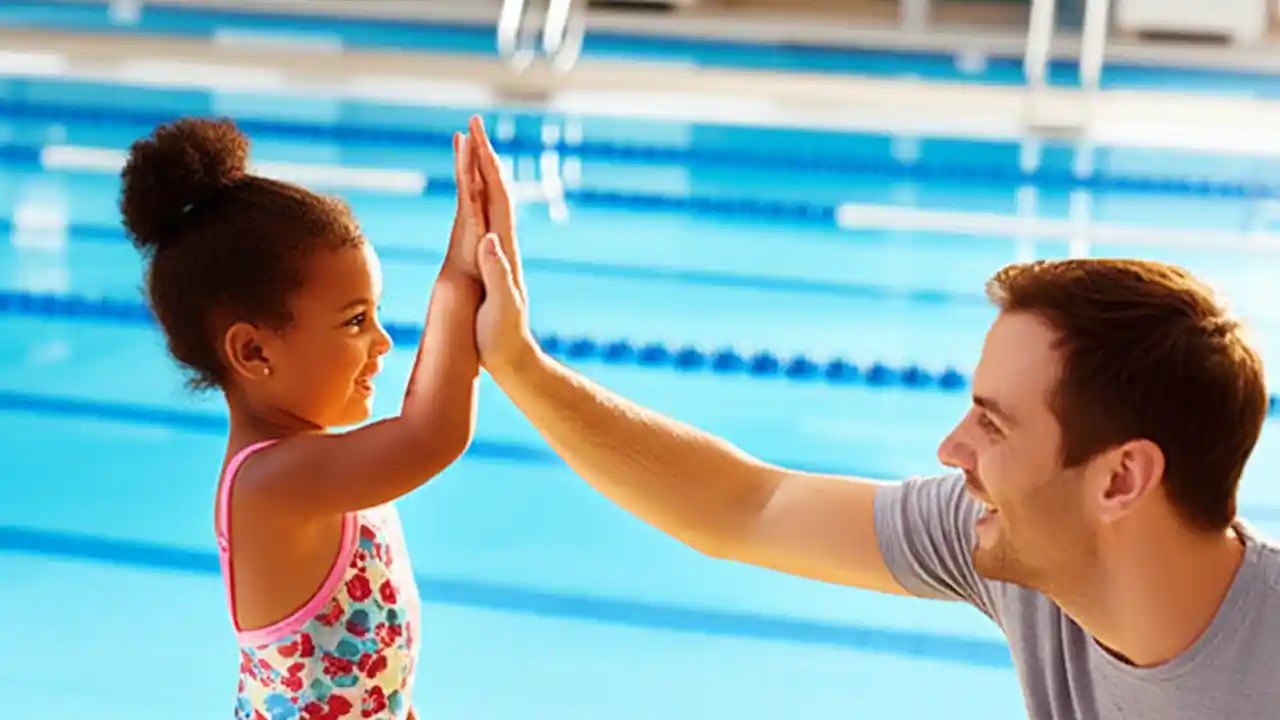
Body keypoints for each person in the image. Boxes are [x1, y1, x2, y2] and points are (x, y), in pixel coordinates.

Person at [471, 208, 1280, 717]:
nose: (952, 449)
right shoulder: (1016, 551)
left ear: (1120, 479)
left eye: (993, 426)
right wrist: (518, 366)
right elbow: (745, 506)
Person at [121, 114, 511, 720]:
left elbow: (374, 674)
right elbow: (432, 433)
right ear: (254, 351)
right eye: (356, 321)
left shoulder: (321, 468)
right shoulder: (270, 484)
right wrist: (462, 276)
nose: (382, 342)